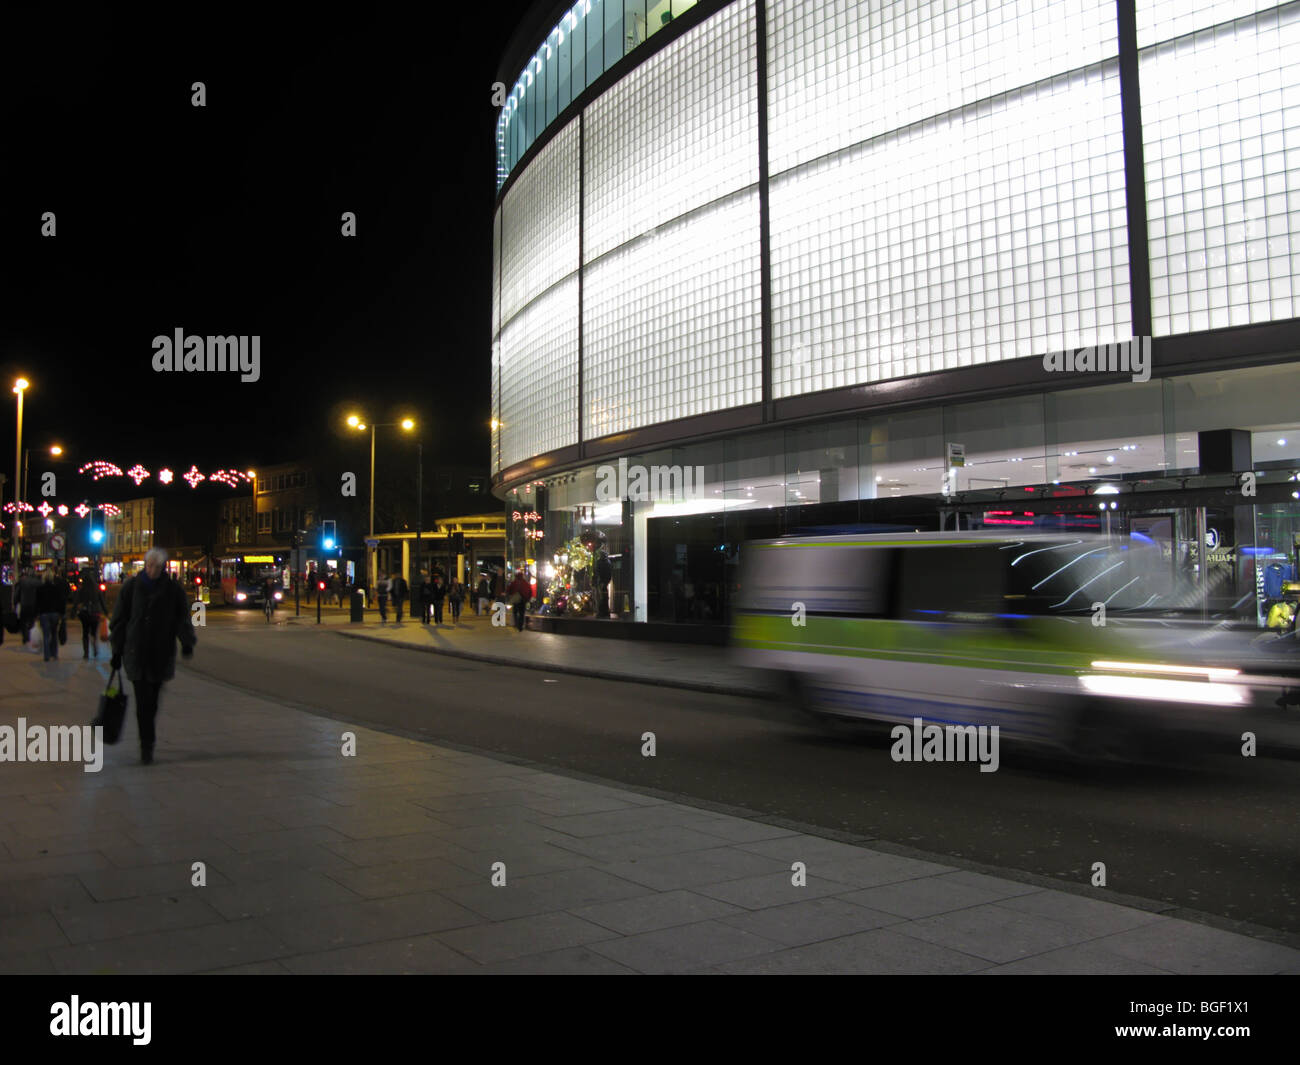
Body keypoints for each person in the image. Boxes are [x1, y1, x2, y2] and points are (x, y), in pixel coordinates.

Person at [109, 547, 197, 765]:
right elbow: (119, 620)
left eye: (157, 567)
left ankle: (148, 737)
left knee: (153, 701)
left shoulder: (172, 590)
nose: (153, 570)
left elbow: (182, 618)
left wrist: (186, 642)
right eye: (150, 566)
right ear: (145, 565)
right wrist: (117, 651)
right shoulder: (131, 588)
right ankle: (146, 744)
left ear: (163, 568)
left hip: (160, 652)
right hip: (136, 652)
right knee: (142, 702)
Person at [74, 570, 108, 659]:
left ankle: (86, 653)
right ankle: (95, 647)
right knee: (94, 632)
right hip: (95, 613)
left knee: (85, 632)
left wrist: (73, 613)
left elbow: (76, 602)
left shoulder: (82, 590)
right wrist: (106, 612)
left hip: (84, 614)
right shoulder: (97, 589)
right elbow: (102, 602)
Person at [36, 570, 66, 661]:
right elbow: (61, 601)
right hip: (54, 614)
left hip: (44, 613)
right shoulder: (56, 588)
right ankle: (54, 654)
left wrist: (37, 613)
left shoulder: (40, 589)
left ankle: (46, 655)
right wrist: (62, 613)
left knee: (46, 635)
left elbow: (37, 602)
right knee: (54, 634)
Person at [17, 566, 40, 646]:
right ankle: (30, 635)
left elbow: (17, 594)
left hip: (24, 604)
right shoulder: (37, 583)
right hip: (33, 605)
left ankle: (25, 637)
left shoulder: (22, 582)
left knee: (23, 622)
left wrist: (16, 602)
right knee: (31, 621)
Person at [595, 550, 612, 619]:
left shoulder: (603, 562)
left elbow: (598, 572)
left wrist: (604, 582)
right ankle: (604, 611)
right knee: (603, 597)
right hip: (603, 581)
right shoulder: (606, 562)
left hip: (603, 581)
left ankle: (603, 612)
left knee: (602, 597)